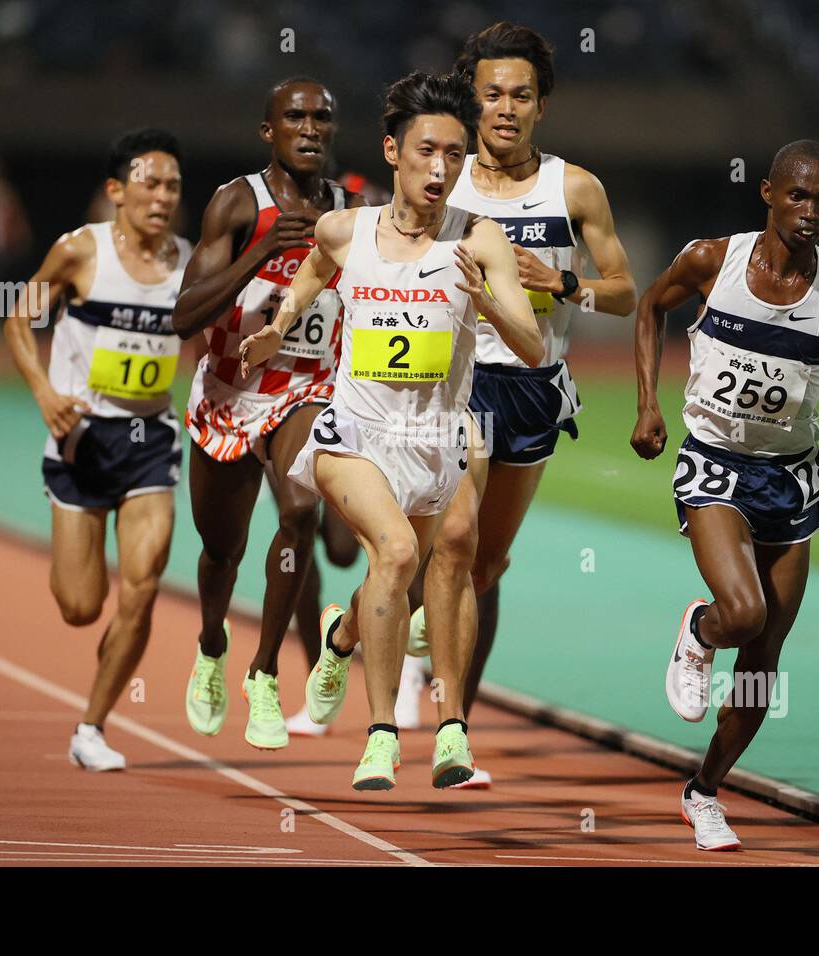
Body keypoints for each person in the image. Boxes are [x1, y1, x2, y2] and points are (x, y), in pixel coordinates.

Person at [240, 70, 543, 790]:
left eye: (455, 155)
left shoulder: (481, 241)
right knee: (399, 551)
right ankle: (381, 735)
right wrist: (278, 328)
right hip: (356, 432)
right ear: (392, 152)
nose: (441, 169)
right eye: (427, 151)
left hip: (437, 438)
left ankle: (350, 644)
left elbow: (533, 347)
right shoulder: (347, 230)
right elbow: (314, 269)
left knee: (435, 567)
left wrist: (490, 305)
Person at [630, 140, 819, 849]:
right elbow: (649, 307)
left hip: (792, 476)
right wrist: (648, 404)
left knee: (764, 659)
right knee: (742, 613)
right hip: (715, 463)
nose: (811, 212)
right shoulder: (715, 260)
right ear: (767, 193)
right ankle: (700, 630)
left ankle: (703, 792)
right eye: (798, 196)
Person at [407, 21, 638, 788]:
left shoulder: (574, 188)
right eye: (492, 94)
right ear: (472, 102)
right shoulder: (445, 181)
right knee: (458, 544)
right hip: (458, 383)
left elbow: (625, 292)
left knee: (488, 563)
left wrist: (562, 283)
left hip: (537, 388)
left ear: (542, 105)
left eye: (521, 95)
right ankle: (450, 725)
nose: (506, 109)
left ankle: (406, 629)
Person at [172, 77, 363, 751]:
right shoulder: (236, 203)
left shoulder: (352, 213)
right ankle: (213, 645)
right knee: (221, 552)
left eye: (322, 118)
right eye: (295, 118)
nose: (310, 128)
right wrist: (262, 252)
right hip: (229, 396)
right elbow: (183, 315)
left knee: (299, 511)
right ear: (269, 132)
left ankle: (263, 674)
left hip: (307, 392)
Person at [3, 128, 190, 770]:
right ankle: (107, 655)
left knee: (141, 590)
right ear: (116, 191)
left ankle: (92, 727)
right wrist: (43, 394)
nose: (162, 196)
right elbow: (18, 317)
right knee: (82, 608)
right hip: (80, 440)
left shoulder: (190, 264)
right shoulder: (79, 252)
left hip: (150, 445)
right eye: (149, 183)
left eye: (172, 185)